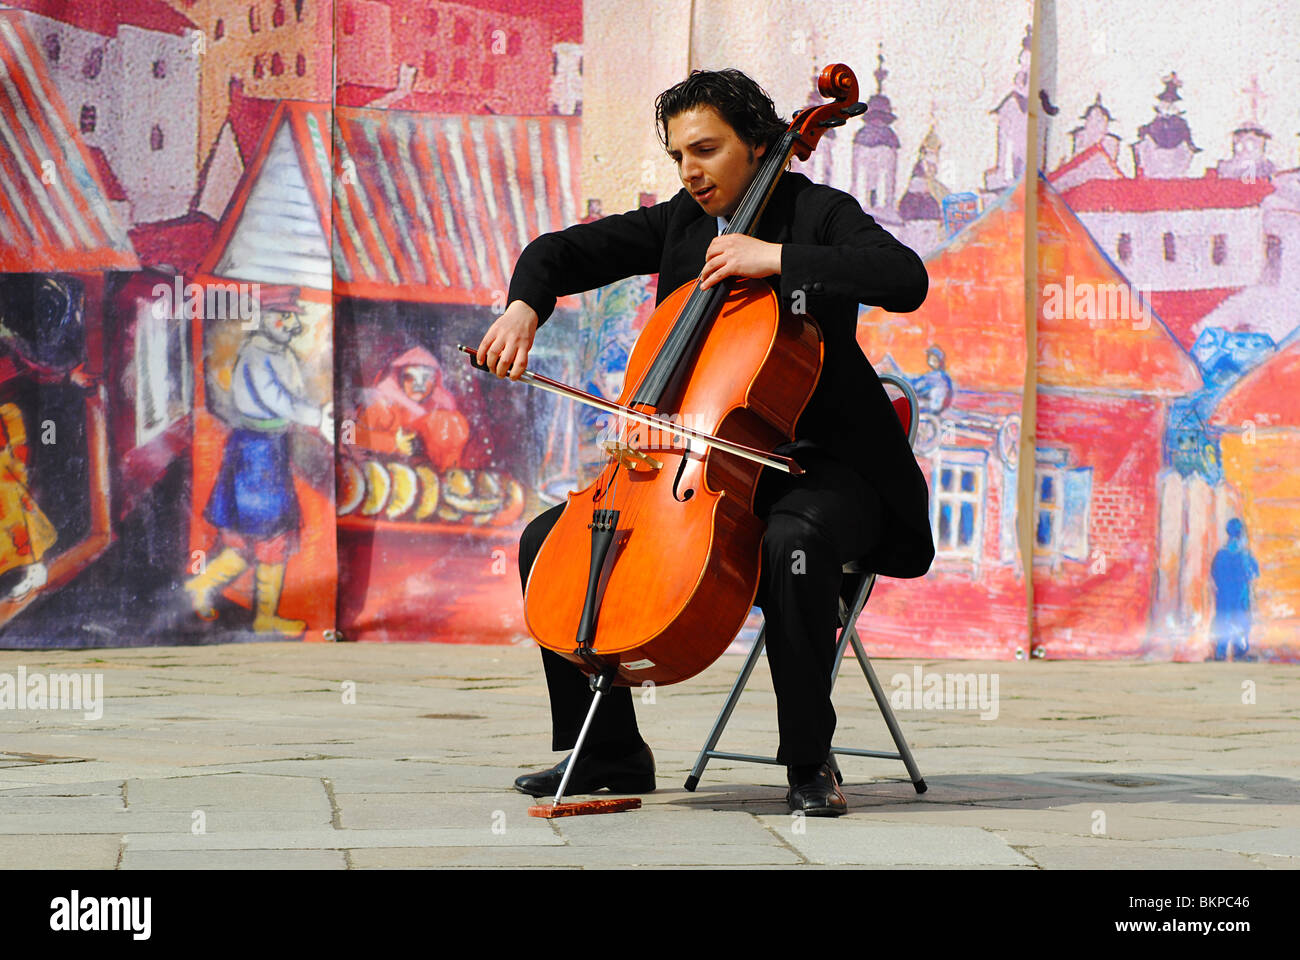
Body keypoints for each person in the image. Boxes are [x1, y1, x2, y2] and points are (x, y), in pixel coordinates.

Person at [476, 68, 933, 816]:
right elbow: (559, 251)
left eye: (708, 149)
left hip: (825, 470)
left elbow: (903, 278)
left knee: (795, 540)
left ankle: (809, 761)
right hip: (706, 468)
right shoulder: (681, 228)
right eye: (679, 154)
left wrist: (776, 259)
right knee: (547, 541)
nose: (691, 170)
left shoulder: (818, 213)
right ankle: (610, 751)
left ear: (759, 145)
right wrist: (526, 306)